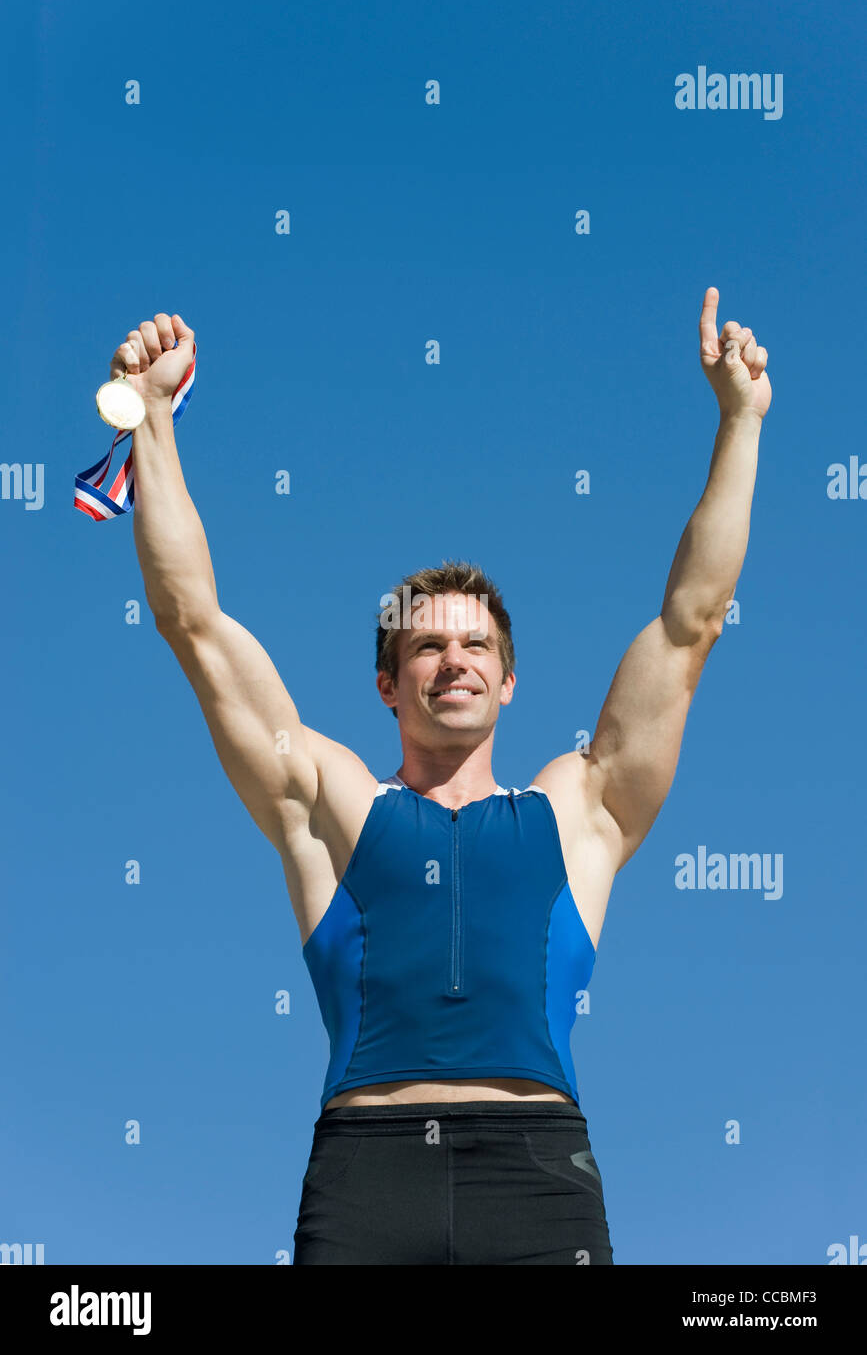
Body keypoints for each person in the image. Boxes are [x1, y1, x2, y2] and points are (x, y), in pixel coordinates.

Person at [113, 288, 771, 1264]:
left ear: (509, 680)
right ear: (388, 683)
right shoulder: (331, 806)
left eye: (476, 645)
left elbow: (691, 623)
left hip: (540, 1173)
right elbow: (192, 621)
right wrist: (154, 420)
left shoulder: (577, 810)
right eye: (426, 646)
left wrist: (740, 421)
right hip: (366, 1174)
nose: (454, 659)